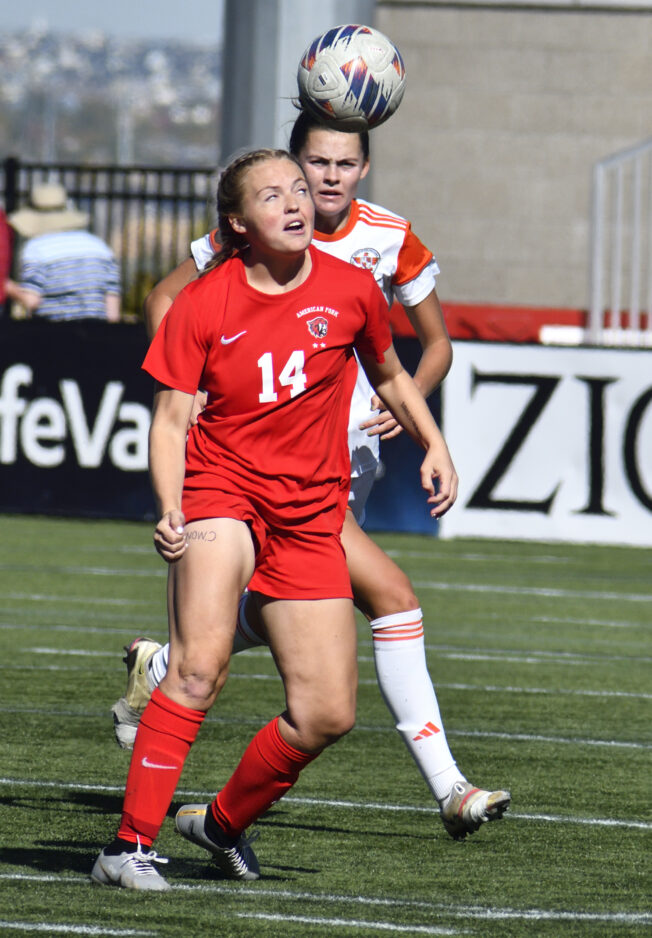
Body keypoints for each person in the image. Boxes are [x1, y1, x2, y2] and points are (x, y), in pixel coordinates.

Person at [112, 111, 510, 842]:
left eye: (338, 166)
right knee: (381, 599)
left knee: (320, 699)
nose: (318, 183)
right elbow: (167, 317)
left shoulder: (377, 252)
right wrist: (186, 389)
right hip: (233, 481)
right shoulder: (226, 265)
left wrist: (427, 435)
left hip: (328, 481)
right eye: (308, 167)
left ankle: (180, 719)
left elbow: (417, 357)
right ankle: (450, 786)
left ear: (364, 169)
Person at [4, 182, 121, 322]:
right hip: (97, 330)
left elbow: (31, 300)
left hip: (55, 331)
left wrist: (8, 286)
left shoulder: (36, 249)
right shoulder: (101, 248)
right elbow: (112, 310)